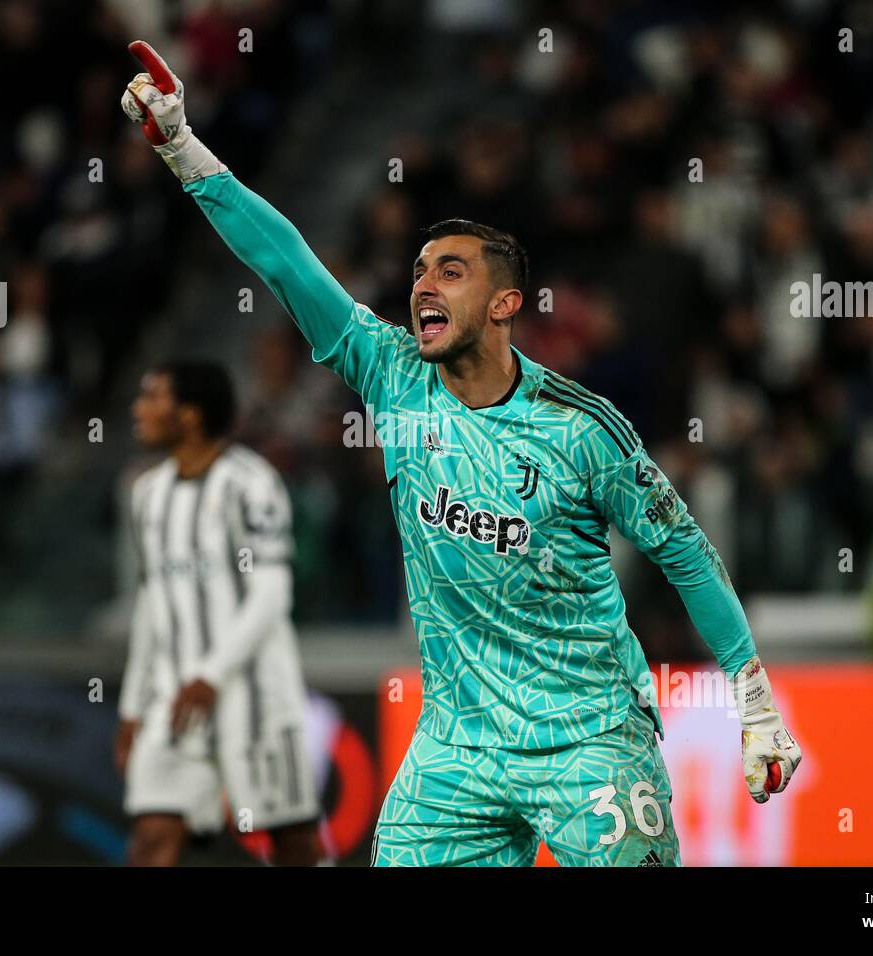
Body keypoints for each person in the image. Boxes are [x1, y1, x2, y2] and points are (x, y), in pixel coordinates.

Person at [120, 43, 800, 866]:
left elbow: (686, 554)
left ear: (506, 302)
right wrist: (181, 145)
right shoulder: (391, 375)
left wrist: (755, 702)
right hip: (458, 749)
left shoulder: (581, 428)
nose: (423, 286)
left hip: (587, 738)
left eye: (450, 271)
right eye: (417, 271)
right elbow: (285, 260)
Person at [116, 359, 320, 866]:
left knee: (292, 844)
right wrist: (131, 705)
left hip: (255, 696)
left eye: (153, 397)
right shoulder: (147, 494)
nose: (138, 410)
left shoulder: (252, 483)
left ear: (189, 414)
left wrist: (211, 675)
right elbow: (151, 601)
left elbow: (271, 593)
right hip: (176, 699)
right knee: (151, 839)